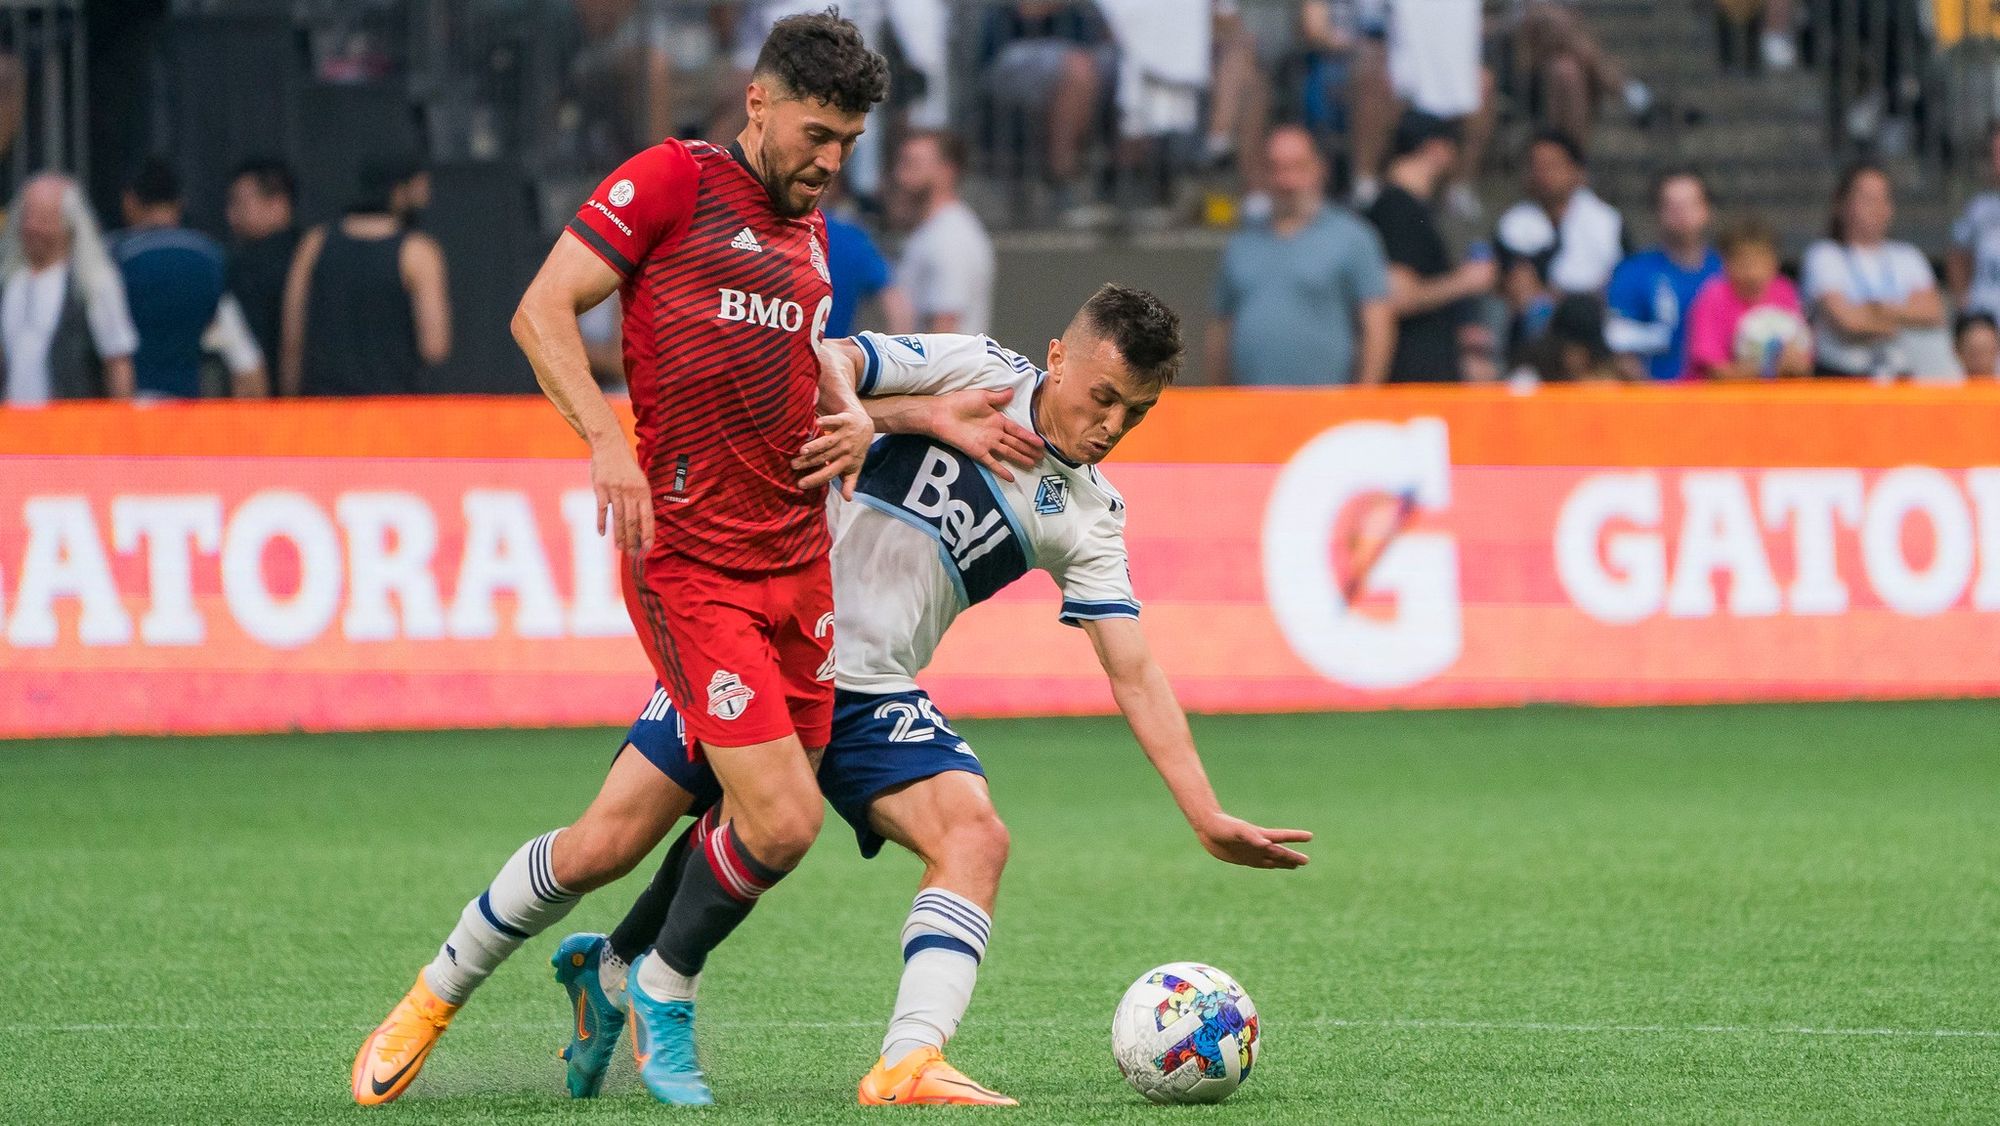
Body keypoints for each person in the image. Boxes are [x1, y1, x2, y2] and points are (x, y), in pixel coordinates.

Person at [568, 288, 1311, 1109]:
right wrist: (898, 417)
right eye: (1102, 397)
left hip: (870, 687)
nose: (1109, 426)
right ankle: (587, 969)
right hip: (757, 629)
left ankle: (908, 1061)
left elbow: (1133, 670)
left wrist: (1203, 814)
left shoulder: (1091, 515)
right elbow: (830, 360)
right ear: (1059, 358)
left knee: (972, 834)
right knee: (620, 844)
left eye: (1134, 413)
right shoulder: (978, 369)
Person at [349, 12, 890, 1109]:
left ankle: (542, 975)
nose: (831, 161)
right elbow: (541, 310)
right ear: (757, 101)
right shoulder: (670, 182)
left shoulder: (810, 231)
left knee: (608, 843)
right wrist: (609, 441)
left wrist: (856, 420)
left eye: (848, 142)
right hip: (689, 563)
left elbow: (803, 358)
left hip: (798, 566)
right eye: (817, 133)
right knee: (784, 818)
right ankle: (654, 988)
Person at [1210, 125, 1393, 385]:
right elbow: (1221, 328)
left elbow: (1377, 323)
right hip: (1249, 409)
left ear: (1320, 168)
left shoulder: (1353, 237)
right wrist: (1220, 401)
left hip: (1325, 408)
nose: (1286, 180)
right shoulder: (1241, 244)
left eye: (1297, 167)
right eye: (1276, 168)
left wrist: (1364, 397)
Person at [280, 155, 451, 396]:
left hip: (323, 407)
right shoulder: (418, 253)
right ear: (401, 190)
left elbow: (292, 337)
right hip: (393, 409)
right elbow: (434, 346)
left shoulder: (314, 243)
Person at [111, 157, 266, 399]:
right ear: (180, 203)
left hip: (128, 413)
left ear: (129, 202)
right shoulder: (211, 258)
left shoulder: (112, 258)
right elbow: (246, 365)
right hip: (189, 415)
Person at [1367, 112, 1499, 382]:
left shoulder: (1407, 207)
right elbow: (1396, 295)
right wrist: (1465, 281)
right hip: (1411, 381)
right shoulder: (1399, 208)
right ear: (1436, 149)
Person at [1801, 162, 1951, 380]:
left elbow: (1933, 312)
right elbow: (1848, 322)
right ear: (1842, 204)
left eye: (1883, 198)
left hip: (1901, 375)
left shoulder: (1908, 256)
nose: (1876, 207)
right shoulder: (1824, 255)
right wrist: (1904, 321)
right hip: (1844, 376)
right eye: (1867, 199)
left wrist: (1875, 308)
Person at [0, 173, 138, 404]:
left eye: (44, 219)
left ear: (68, 224)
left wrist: (122, 425)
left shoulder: (94, 284)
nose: (33, 227)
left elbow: (117, 362)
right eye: (28, 217)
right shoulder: (9, 282)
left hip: (72, 427)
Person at [1494, 130, 1625, 352]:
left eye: (1553, 166)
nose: (1543, 174)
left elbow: (1619, 280)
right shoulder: (1513, 223)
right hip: (1536, 338)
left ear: (1578, 172)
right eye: (1536, 166)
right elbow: (1519, 289)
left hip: (1596, 329)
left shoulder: (1608, 221)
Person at [1606, 169, 1721, 382]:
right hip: (1652, 401)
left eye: (1690, 204)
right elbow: (1620, 350)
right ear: (1657, 213)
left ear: (1707, 210)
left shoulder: (1727, 272)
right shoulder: (1632, 272)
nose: (1681, 213)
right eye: (1671, 206)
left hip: (1720, 400)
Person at [1683, 215, 1810, 380]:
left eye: (1760, 261)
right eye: (1743, 263)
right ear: (1726, 263)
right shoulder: (1712, 297)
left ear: (1774, 262)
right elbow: (1715, 373)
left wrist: (1794, 363)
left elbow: (1802, 362)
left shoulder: (1785, 291)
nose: (1752, 273)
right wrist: (1769, 368)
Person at [894, 131, 994, 334]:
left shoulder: (950, 237)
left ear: (948, 171)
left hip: (944, 366)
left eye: (914, 164)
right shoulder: (930, 231)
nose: (901, 176)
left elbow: (945, 327)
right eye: (902, 164)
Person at [223, 158, 300, 374]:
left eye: (239, 204)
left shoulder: (248, 267)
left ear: (278, 204)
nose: (231, 217)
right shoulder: (313, 253)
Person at [1946, 124, 2000, 320]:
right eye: (1995, 154)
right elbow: (1957, 255)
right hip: (1986, 325)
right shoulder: (1978, 208)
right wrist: (1963, 302)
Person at [1954, 312, 1999, 379]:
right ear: (1958, 350)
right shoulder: (1945, 387)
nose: (1981, 359)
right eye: (1974, 351)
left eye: (1985, 350)